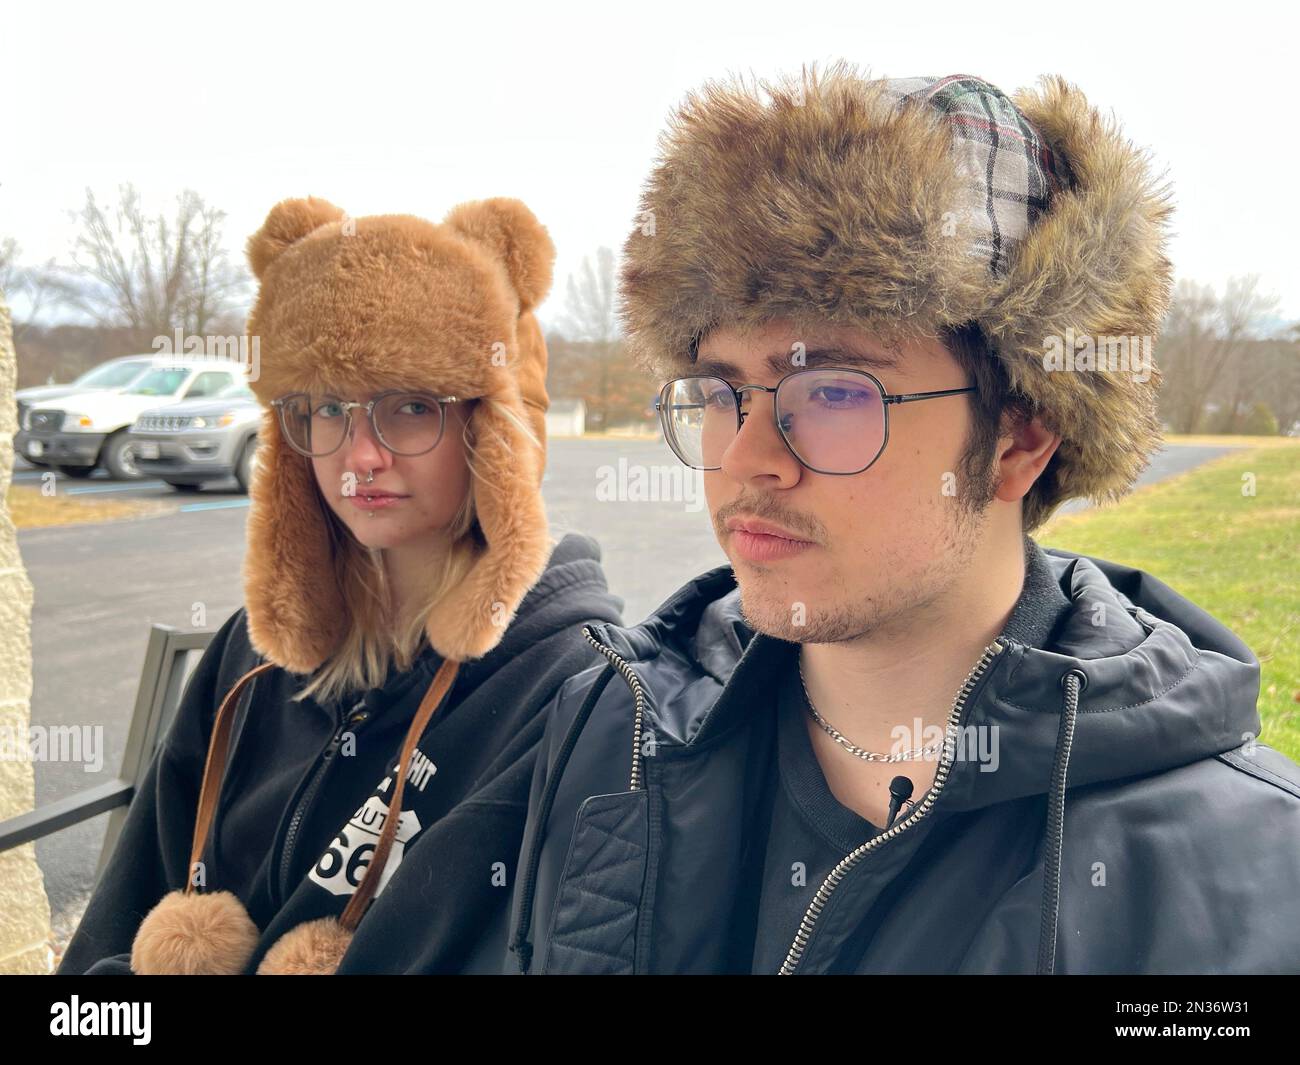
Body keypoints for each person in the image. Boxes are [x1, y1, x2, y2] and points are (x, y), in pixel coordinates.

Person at [503, 66, 1300, 974]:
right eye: (722, 390)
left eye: (836, 390)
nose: (747, 456)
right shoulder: (616, 731)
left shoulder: (1241, 872)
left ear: (1018, 439)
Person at [58, 194, 623, 975]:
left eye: (412, 407)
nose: (360, 455)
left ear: (494, 433)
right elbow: (116, 924)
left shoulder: (570, 691)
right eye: (328, 408)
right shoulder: (249, 659)